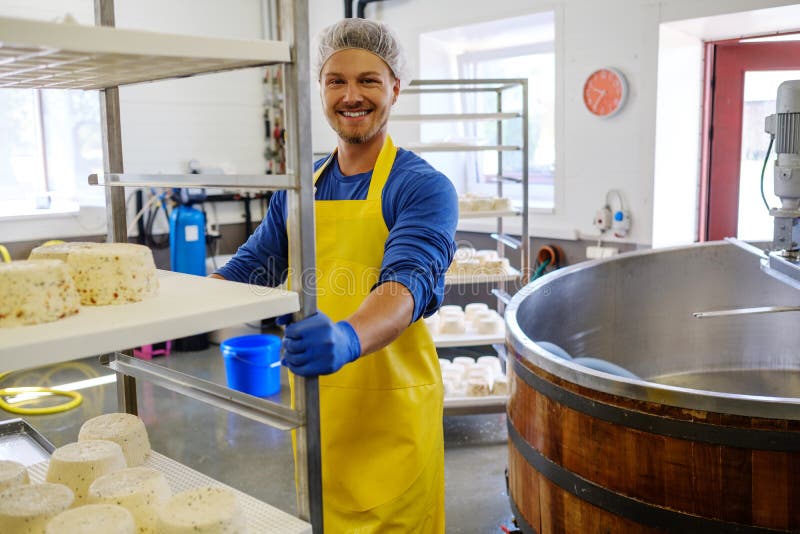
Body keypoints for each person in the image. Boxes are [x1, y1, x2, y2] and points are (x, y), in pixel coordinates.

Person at [212, 18, 457, 533]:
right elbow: (247, 273)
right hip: (322, 419)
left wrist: (348, 336)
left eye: (369, 80)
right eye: (336, 80)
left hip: (393, 423)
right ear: (319, 89)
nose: (351, 95)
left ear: (395, 86)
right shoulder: (301, 190)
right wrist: (171, 301)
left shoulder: (422, 188)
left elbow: (406, 283)